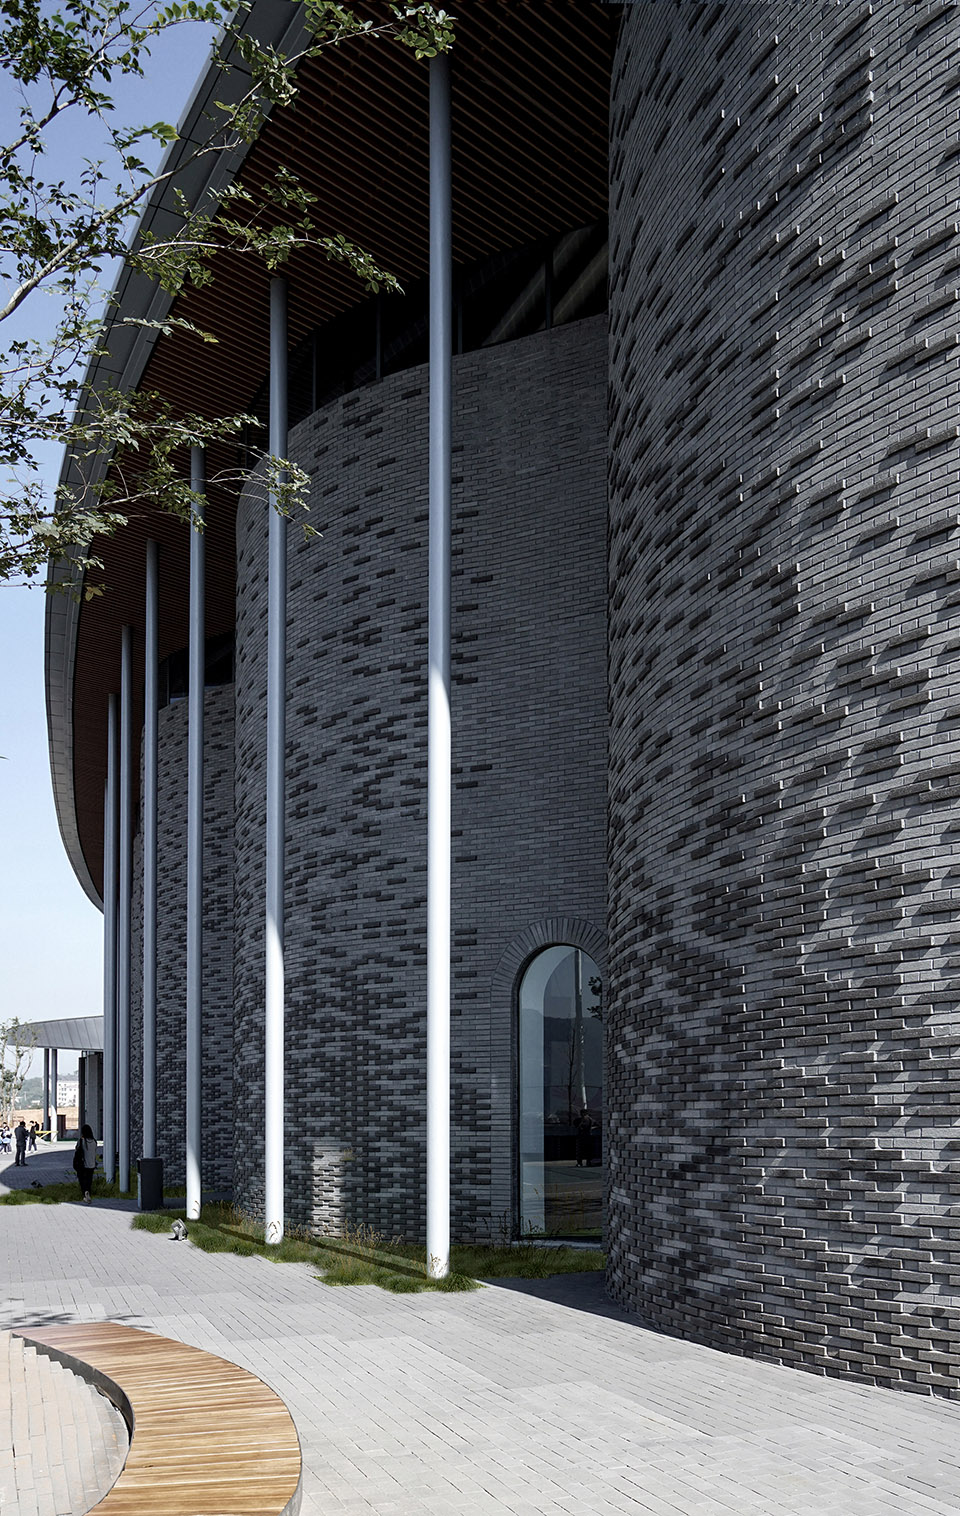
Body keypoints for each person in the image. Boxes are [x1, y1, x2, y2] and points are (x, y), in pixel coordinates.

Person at [72, 1124, 98, 1203]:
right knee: (89, 1180)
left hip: (82, 1165)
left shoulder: (82, 1141)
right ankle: (88, 1193)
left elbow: (77, 1149)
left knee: (82, 1180)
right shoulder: (94, 1141)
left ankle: (85, 1193)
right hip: (92, 1164)